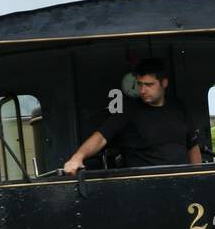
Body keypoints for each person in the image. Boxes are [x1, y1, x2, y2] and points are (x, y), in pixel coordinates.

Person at [63, 59, 200, 174]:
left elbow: (192, 146)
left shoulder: (178, 106)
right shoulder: (129, 110)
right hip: (145, 186)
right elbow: (101, 137)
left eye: (149, 85)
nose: (142, 90)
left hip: (183, 182)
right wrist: (78, 157)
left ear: (164, 83)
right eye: (139, 84)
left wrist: (197, 176)